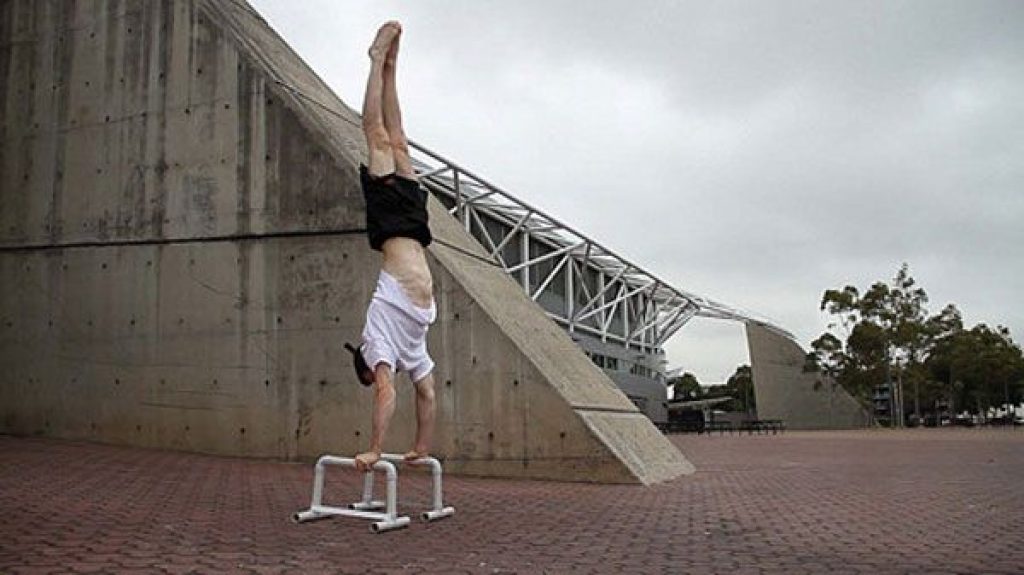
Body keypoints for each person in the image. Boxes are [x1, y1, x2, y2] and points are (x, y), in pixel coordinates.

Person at [350, 21, 436, 473]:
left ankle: (376, 63)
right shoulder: (409, 351)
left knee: (376, 134)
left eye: (376, 370)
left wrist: (375, 448)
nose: (384, 373)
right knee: (398, 139)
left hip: (393, 226)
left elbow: (386, 391)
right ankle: (390, 69)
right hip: (413, 237)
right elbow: (425, 392)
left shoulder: (375, 340)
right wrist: (421, 445)